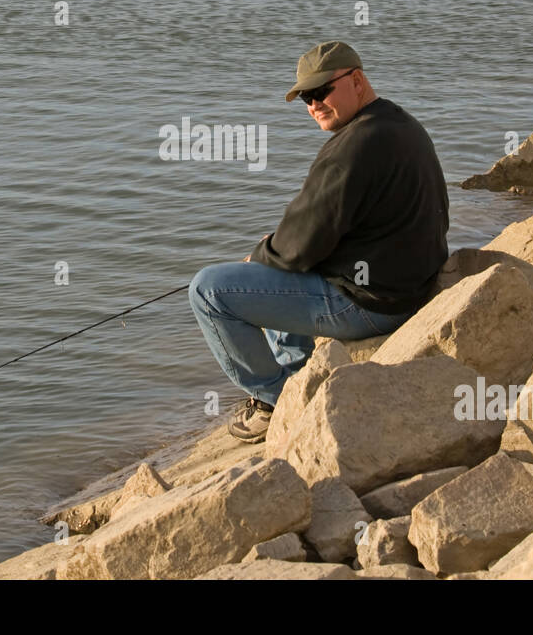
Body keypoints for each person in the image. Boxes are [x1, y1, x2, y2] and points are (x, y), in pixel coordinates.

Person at [188, 41, 451, 443]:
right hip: (409, 286)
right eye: (306, 98)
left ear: (357, 80)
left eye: (321, 92)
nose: (313, 105)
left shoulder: (352, 148)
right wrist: (279, 247)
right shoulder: (400, 123)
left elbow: (300, 244)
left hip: (374, 304)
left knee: (208, 290)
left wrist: (264, 252)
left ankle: (273, 399)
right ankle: (297, 374)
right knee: (277, 257)